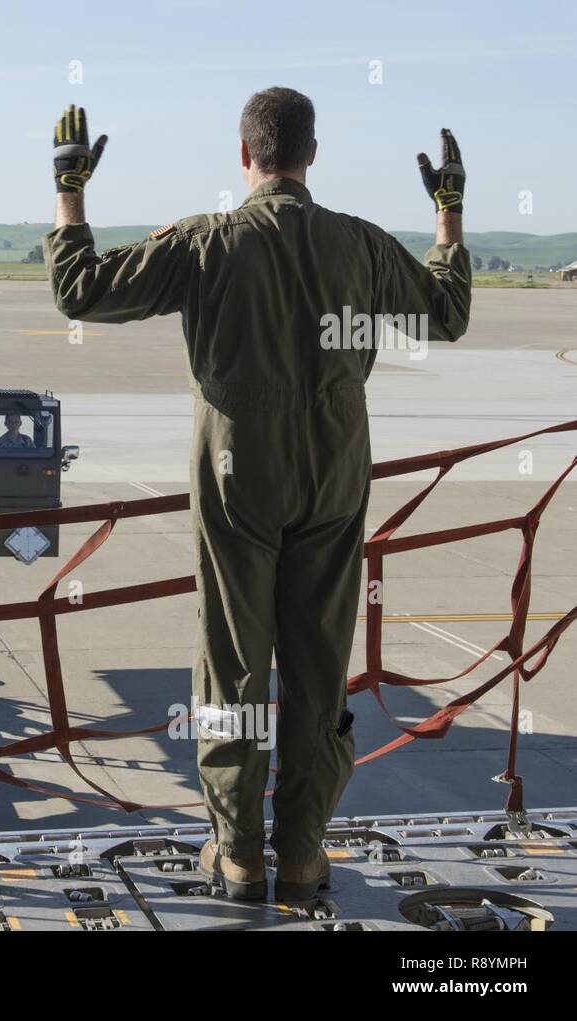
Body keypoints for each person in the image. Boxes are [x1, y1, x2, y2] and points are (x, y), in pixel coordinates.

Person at [43, 93, 470, 901]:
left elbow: (79, 290)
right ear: (312, 155)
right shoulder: (362, 244)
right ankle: (302, 852)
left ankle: (237, 852)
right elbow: (446, 315)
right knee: (319, 665)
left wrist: (70, 191)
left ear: (245, 155)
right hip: (334, 476)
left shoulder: (206, 242)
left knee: (234, 663)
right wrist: (447, 217)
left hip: (239, 475)